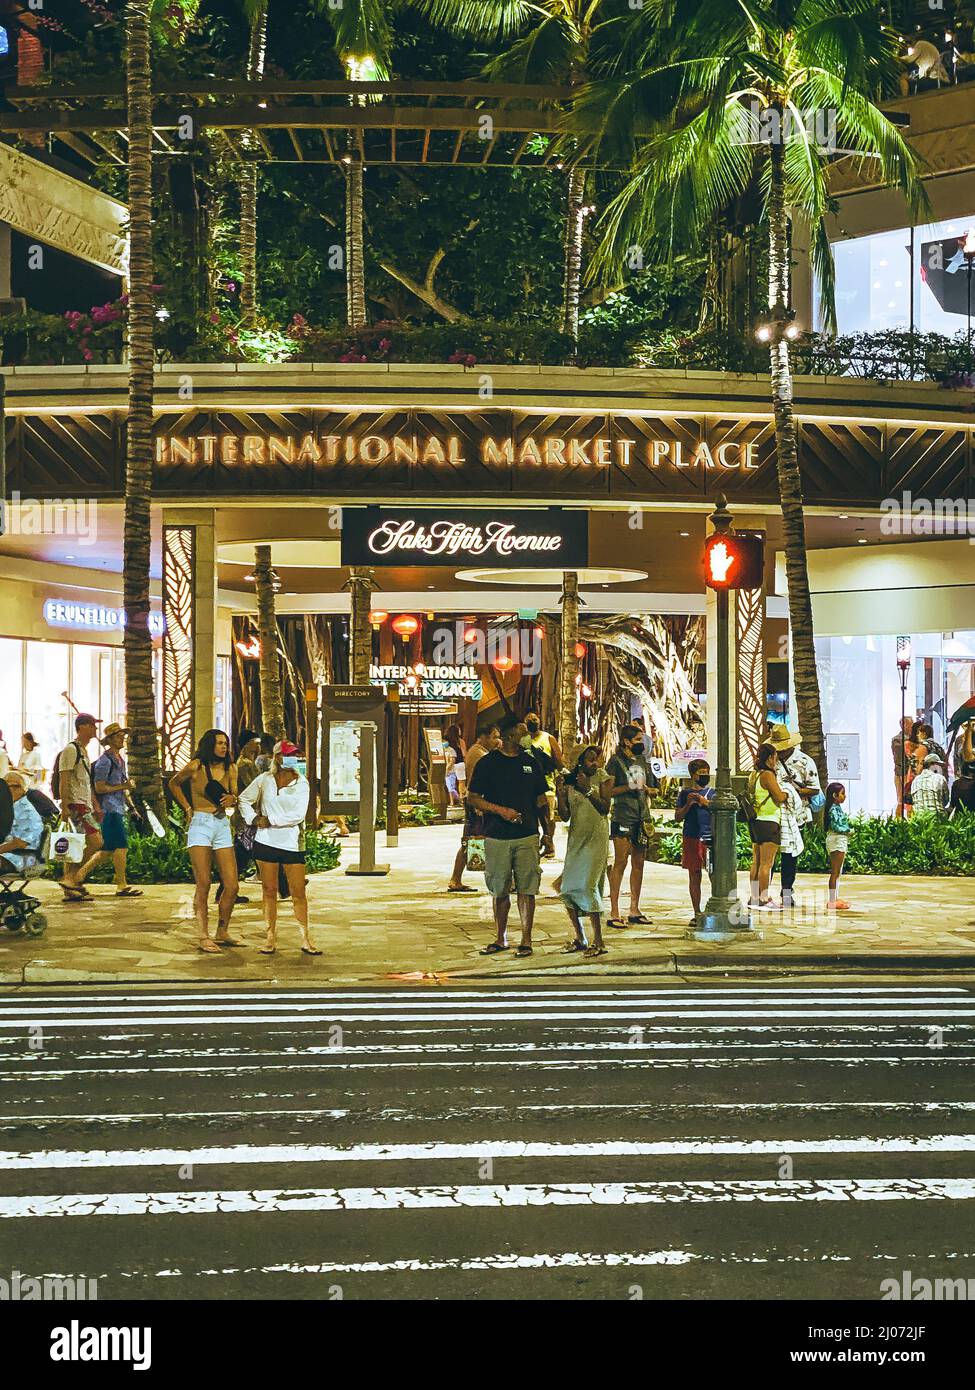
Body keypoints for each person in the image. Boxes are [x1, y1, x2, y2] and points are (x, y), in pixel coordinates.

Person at [467, 717, 552, 958]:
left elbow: (540, 799)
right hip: (497, 835)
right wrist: (500, 810)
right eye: (523, 732)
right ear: (509, 736)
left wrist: (548, 833)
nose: (528, 736)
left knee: (527, 888)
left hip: (527, 835)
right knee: (499, 889)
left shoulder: (531, 763)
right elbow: (473, 797)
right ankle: (500, 937)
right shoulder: (488, 763)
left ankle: (526, 939)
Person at [239, 740, 319, 956]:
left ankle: (305, 937)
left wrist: (270, 820)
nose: (292, 758)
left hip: (291, 843)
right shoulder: (264, 780)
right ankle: (270, 936)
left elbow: (298, 815)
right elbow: (244, 799)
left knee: (298, 891)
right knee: (269, 890)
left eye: (295, 754)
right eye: (287, 754)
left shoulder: (301, 783)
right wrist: (253, 818)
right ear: (277, 757)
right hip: (266, 841)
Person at [168, 729, 240, 953]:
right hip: (200, 823)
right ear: (210, 744)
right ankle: (202, 934)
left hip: (221, 824)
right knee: (204, 882)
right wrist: (187, 807)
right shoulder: (196, 766)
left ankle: (222, 930)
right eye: (219, 743)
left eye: (225, 743)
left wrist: (232, 799)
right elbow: (174, 783)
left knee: (232, 884)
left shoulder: (231, 768)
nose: (223, 747)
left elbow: (235, 796)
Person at [555, 745, 610, 958]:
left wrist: (587, 789)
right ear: (579, 762)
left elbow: (605, 807)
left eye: (596, 759)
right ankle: (580, 937)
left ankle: (599, 940)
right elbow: (565, 816)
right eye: (590, 760)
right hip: (577, 838)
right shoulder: (570, 782)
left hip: (596, 837)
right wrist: (561, 795)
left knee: (588, 885)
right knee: (568, 888)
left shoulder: (602, 777)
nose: (595, 763)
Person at [604, 723, 658, 929]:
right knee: (620, 862)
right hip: (623, 816)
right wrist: (628, 787)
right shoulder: (616, 762)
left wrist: (650, 790)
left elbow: (651, 786)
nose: (641, 744)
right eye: (637, 740)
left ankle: (634, 909)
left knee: (639, 863)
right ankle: (614, 910)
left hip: (642, 816)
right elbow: (607, 791)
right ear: (626, 742)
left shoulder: (644, 761)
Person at [768, 723, 822, 908]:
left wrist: (791, 792)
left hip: (796, 815)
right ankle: (763, 893)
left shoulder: (805, 761)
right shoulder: (771, 761)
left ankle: (787, 892)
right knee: (770, 855)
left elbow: (814, 789)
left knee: (790, 856)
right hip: (774, 814)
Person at [56, 712, 107, 902]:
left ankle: (71, 885)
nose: (95, 728)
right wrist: (65, 806)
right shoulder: (71, 750)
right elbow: (65, 779)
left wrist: (94, 805)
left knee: (75, 846)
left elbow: (86, 781)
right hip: (76, 805)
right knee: (97, 842)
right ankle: (72, 878)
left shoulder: (83, 751)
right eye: (92, 725)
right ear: (82, 726)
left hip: (83, 804)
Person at [447, 723, 501, 892]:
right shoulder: (478, 754)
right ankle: (456, 879)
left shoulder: (479, 752)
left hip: (477, 803)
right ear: (483, 737)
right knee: (474, 840)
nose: (497, 740)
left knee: (473, 840)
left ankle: (456, 879)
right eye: (494, 737)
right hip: (477, 804)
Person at [91, 722, 142, 898]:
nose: (123, 739)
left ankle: (78, 876)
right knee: (121, 846)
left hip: (118, 808)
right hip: (109, 810)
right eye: (120, 736)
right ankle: (121, 884)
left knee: (107, 850)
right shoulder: (104, 762)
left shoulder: (119, 761)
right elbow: (99, 788)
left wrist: (132, 808)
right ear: (111, 739)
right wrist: (123, 786)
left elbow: (123, 787)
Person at [674, 758, 715, 927]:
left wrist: (706, 803)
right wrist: (689, 804)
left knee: (714, 874)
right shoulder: (685, 793)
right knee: (694, 875)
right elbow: (677, 817)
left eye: (706, 773)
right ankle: (697, 911)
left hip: (709, 837)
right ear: (693, 775)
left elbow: (720, 810)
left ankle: (715, 908)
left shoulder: (713, 792)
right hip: (691, 836)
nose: (704, 776)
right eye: (701, 774)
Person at [748, 741, 787, 908]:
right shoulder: (767, 775)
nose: (776, 761)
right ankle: (764, 898)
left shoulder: (754, 775)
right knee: (767, 863)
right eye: (775, 757)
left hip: (756, 821)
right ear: (770, 758)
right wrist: (786, 794)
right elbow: (779, 797)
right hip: (769, 820)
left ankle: (754, 897)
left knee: (756, 861)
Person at [524, 712, 563, 857]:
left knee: (548, 817)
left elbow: (558, 760)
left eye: (534, 719)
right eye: (529, 719)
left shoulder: (548, 738)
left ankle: (549, 844)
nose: (532, 721)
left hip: (547, 783)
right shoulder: (523, 740)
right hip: (528, 785)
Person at [0, 772, 44, 874]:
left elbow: (20, 843)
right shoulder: (8, 807)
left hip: (20, 857)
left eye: (14, 786)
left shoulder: (26, 812)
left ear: (23, 790)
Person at [824, 782, 852, 911]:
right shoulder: (833, 809)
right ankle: (831, 900)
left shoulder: (835, 808)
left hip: (838, 839)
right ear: (835, 795)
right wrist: (847, 830)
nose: (844, 796)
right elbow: (836, 825)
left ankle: (834, 898)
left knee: (838, 871)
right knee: (835, 871)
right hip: (837, 839)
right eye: (842, 794)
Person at [891, 715, 913, 814]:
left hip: (899, 773)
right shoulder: (904, 740)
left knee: (901, 801)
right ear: (904, 725)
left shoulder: (896, 739)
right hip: (905, 774)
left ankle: (899, 822)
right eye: (911, 724)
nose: (912, 726)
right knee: (907, 801)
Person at [444, 723, 466, 807]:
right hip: (459, 764)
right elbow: (464, 754)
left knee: (450, 783)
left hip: (449, 764)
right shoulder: (460, 741)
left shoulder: (445, 741)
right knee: (461, 783)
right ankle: (462, 800)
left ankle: (451, 802)